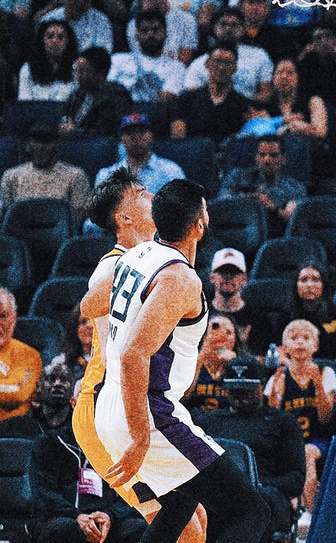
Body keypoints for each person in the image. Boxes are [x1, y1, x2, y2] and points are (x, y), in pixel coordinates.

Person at [94, 178, 270, 542]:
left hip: (113, 405)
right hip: (146, 413)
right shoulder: (180, 279)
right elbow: (133, 354)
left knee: (180, 503)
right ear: (201, 224)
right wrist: (141, 436)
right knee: (252, 511)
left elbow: (89, 304)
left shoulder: (133, 257)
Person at [74, 170, 205, 542]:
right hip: (105, 402)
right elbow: (88, 306)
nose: (153, 195)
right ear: (125, 217)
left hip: (136, 402)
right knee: (185, 529)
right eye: (142, 192)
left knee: (196, 515)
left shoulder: (156, 261)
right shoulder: (114, 263)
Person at [30, 362, 150, 543]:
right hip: (62, 518)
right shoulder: (48, 443)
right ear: (73, 403)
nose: (95, 404)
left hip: (107, 520)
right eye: (89, 397)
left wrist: (110, 516)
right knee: (64, 529)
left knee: (139, 528)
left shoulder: (120, 446)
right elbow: (44, 493)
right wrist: (77, 517)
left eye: (100, 398)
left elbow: (134, 494)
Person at [192, 359, 305, 539]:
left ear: (262, 386)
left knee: (260, 503)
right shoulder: (207, 421)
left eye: (248, 389)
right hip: (217, 494)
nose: (241, 395)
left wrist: (252, 486)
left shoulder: (283, 422)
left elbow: (296, 480)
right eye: (234, 389)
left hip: (262, 492)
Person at [265, 319, 336, 524]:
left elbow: (325, 417)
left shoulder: (326, 373)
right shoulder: (278, 377)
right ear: (285, 347)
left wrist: (318, 385)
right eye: (294, 338)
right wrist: (274, 398)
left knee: (307, 453)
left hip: (318, 438)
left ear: (315, 345)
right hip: (288, 442)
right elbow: (272, 421)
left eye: (306, 338)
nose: (300, 343)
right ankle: (296, 512)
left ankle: (311, 515)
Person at [218, 135, 307, 237]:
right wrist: (247, 201)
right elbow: (221, 203)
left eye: (273, 155)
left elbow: (293, 218)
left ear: (283, 158)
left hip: (274, 235)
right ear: (256, 157)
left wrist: (272, 208)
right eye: (262, 155)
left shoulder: (294, 187)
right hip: (237, 233)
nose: (267, 160)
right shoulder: (237, 177)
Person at [0, 122, 91, 216]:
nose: (41, 147)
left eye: (46, 142)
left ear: (57, 145)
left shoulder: (75, 175)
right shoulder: (11, 176)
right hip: (21, 228)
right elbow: (6, 217)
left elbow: (79, 216)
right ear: (28, 145)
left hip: (61, 228)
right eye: (36, 141)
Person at [168, 45, 251, 143]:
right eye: (217, 62)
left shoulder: (243, 105)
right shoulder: (186, 99)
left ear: (235, 68)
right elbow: (178, 137)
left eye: (227, 63)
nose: (221, 67)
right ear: (207, 65)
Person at [290, 262, 336, 369]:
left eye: (316, 280)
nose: (309, 285)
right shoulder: (287, 316)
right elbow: (281, 356)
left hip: (332, 374)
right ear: (296, 286)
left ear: (324, 285)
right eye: (304, 280)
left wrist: (319, 371)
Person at [94, 113, 185, 194]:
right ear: (121, 139)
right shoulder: (106, 176)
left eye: (142, 132)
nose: (137, 138)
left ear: (151, 135)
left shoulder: (171, 171)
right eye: (130, 133)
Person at [108, 10, 186, 104]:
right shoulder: (117, 60)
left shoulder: (177, 67)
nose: (150, 34)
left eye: (156, 30)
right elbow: (108, 89)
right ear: (137, 35)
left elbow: (166, 99)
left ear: (166, 33)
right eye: (145, 31)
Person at [61, 48, 134, 138]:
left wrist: (75, 131)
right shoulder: (78, 93)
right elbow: (65, 115)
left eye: (83, 70)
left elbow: (106, 132)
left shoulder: (117, 96)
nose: (77, 75)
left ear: (99, 74)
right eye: (76, 69)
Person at [182, 314, 243, 413]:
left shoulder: (241, 364)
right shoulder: (189, 360)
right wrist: (202, 356)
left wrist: (235, 364)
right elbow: (182, 398)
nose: (222, 337)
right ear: (204, 336)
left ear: (235, 339)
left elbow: (244, 404)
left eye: (229, 332)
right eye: (216, 329)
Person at [0, 286, 42, 424]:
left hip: (12, 431)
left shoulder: (28, 355)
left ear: (14, 319)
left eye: (3, 316)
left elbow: (19, 393)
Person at [19, 19, 78, 101]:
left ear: (68, 42)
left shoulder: (76, 68)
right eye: (50, 36)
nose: (55, 41)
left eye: (60, 37)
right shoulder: (27, 69)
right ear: (42, 41)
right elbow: (24, 101)